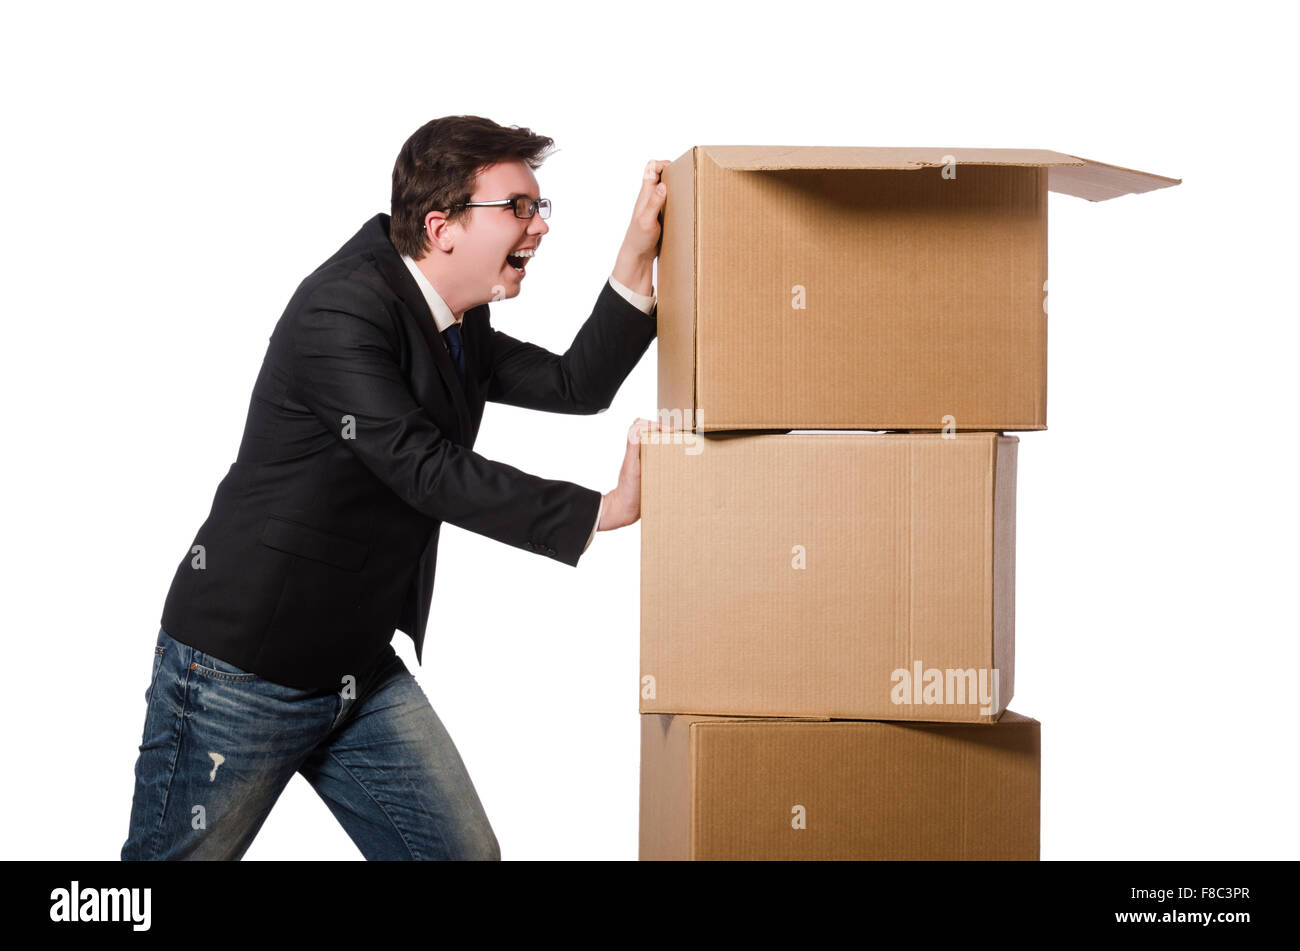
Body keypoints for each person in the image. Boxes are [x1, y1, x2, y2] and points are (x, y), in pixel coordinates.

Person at [120, 115, 668, 860]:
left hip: (354, 666)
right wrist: (602, 510)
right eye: (518, 207)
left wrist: (637, 256)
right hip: (240, 672)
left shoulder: (452, 317)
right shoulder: (341, 309)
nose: (538, 227)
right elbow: (424, 467)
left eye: (539, 207)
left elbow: (576, 383)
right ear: (442, 226)